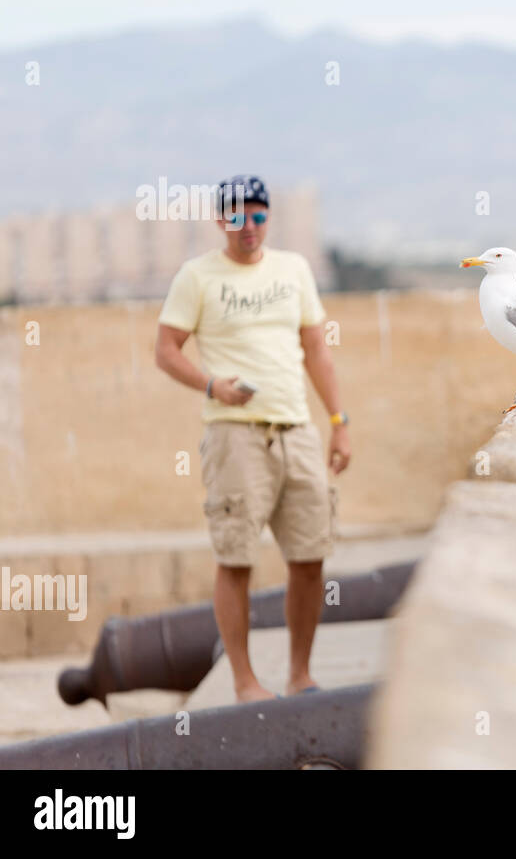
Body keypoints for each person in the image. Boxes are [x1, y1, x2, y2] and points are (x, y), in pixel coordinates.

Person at [154, 175, 351, 702]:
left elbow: (317, 350)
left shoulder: (294, 270)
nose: (249, 227)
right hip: (234, 436)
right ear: (221, 221)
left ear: (269, 219)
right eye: (238, 217)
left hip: (298, 430)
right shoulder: (197, 277)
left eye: (259, 216)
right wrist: (212, 384)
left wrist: (339, 421)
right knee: (236, 558)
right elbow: (167, 349)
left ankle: (300, 675)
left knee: (311, 557)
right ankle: (244, 681)